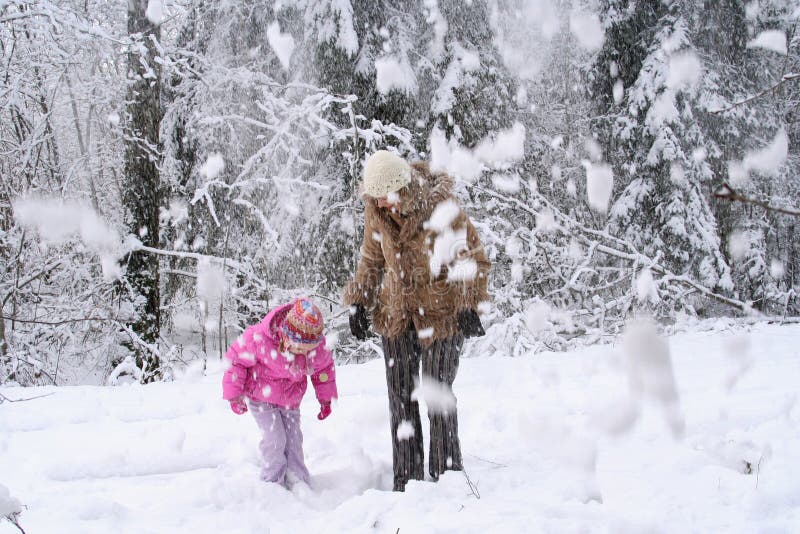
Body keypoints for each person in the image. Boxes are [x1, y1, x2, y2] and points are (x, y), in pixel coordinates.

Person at [343, 150, 490, 491]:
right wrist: (360, 301)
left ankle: (447, 476)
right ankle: (407, 480)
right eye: (374, 197)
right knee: (400, 397)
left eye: (384, 196)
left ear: (401, 187)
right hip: (397, 314)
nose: (379, 203)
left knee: (437, 392)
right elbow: (371, 260)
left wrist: (469, 303)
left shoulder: (441, 208)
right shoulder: (376, 211)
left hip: (443, 314)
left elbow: (472, 257)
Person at [222, 297, 337, 487]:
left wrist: (326, 400)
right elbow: (235, 361)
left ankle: (298, 481)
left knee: (293, 441)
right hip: (261, 397)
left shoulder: (315, 347)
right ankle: (272, 482)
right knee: (275, 439)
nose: (301, 352)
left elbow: (324, 371)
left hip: (291, 400)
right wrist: (234, 395)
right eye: (298, 347)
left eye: (306, 349)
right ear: (285, 332)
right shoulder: (259, 338)